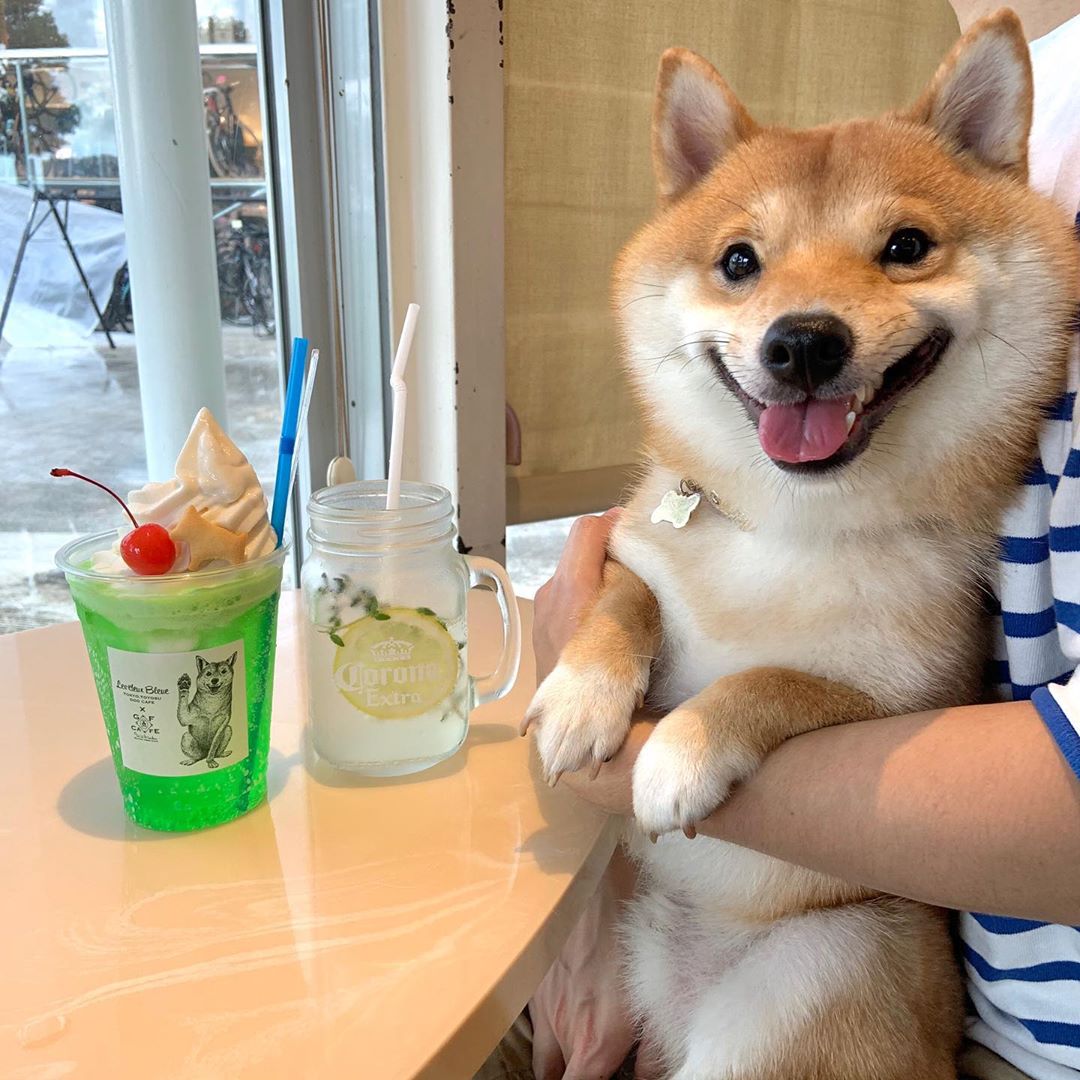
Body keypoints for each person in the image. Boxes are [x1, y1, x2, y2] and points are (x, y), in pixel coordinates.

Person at [499, 3, 1080, 1079]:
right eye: (739, 262)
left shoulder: (932, 561)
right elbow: (625, 584)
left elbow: (895, 713)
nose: (803, 316)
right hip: (665, 904)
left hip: (866, 957)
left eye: (901, 248)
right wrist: (609, 645)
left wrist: (641, 761)